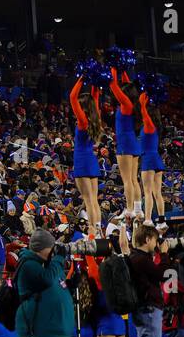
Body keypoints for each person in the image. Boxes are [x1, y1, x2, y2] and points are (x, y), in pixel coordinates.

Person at [109, 71, 143, 227]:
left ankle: (129, 209)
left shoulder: (125, 104)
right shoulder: (132, 104)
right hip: (134, 142)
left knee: (127, 180)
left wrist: (112, 70)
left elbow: (113, 86)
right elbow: (125, 85)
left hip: (124, 143)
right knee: (134, 179)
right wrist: (122, 70)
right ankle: (138, 209)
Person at [70, 78, 103, 233]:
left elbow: (72, 97)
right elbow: (95, 98)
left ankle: (92, 232)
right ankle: (98, 229)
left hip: (82, 160)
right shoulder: (95, 118)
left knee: (88, 201)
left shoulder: (83, 121)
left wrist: (82, 78)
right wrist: (95, 83)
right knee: (93, 200)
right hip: (91, 159)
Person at [139, 92, 166, 226]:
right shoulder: (153, 127)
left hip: (148, 159)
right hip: (156, 159)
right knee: (157, 192)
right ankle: (162, 220)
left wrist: (142, 103)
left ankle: (148, 219)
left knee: (148, 192)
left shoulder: (149, 126)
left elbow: (143, 113)